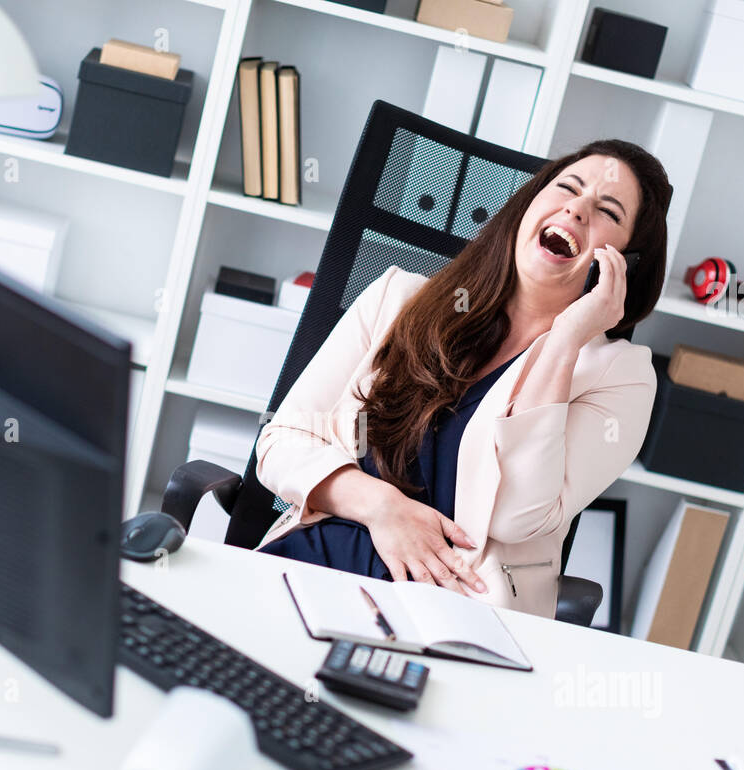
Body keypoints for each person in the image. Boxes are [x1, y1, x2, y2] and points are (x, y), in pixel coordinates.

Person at [254, 140, 672, 619]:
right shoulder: (398, 299)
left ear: (625, 264)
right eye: (567, 189)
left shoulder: (620, 377)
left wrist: (564, 342)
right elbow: (281, 443)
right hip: (311, 568)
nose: (576, 209)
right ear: (528, 204)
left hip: (451, 613)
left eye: (607, 211)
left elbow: (516, 517)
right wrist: (380, 506)